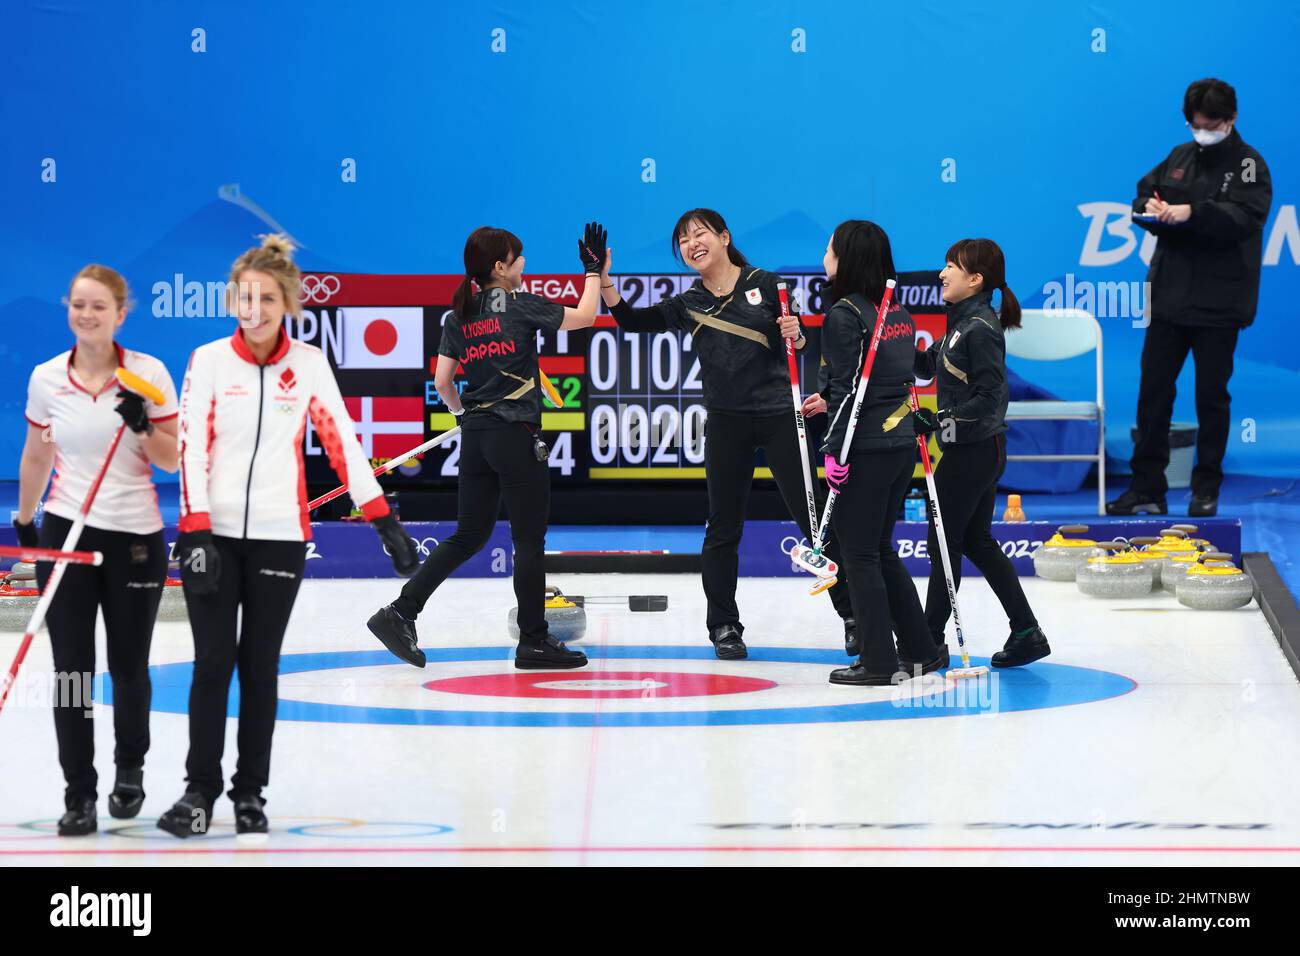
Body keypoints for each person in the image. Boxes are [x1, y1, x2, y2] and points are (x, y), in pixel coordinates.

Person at [157, 235, 419, 838]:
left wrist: (384, 520)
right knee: (212, 663)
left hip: (279, 537)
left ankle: (251, 794)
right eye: (245, 297)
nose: (255, 309)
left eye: (266, 298)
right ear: (233, 299)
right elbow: (193, 449)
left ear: (287, 302)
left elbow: (342, 441)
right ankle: (199, 793)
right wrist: (194, 530)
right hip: (213, 535)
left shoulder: (307, 365)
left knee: (259, 666)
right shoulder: (207, 361)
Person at [599, 209, 856, 660]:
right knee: (722, 527)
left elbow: (798, 347)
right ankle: (723, 626)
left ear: (724, 237)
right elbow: (632, 322)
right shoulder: (688, 302)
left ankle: (853, 616)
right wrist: (602, 279)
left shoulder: (770, 283)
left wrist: (795, 337)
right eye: (682, 240)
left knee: (814, 520)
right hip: (726, 420)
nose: (691, 244)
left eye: (700, 234)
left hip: (779, 416)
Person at [368, 224, 606, 670]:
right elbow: (588, 316)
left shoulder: (458, 315)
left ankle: (400, 612)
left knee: (468, 535)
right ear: (501, 266)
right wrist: (593, 271)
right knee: (529, 540)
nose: (524, 265)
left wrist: (462, 416)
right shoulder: (517, 305)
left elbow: (443, 383)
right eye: (519, 258)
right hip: (516, 437)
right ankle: (534, 641)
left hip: (476, 438)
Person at [16, 264, 179, 836]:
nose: (86, 315)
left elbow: (172, 458)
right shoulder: (46, 378)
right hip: (67, 536)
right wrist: (24, 519)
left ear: (120, 314)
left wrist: (141, 426)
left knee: (128, 665)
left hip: (134, 536)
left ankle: (129, 770)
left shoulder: (147, 375)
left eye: (99, 307)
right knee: (71, 672)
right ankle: (78, 793)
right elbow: (37, 455)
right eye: (78, 305)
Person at [1108, 77, 1272, 518]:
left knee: (1211, 398)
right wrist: (1153, 210)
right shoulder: (1180, 156)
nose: (1202, 131)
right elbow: (1142, 196)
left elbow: (1245, 217)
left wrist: (1192, 212)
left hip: (1220, 304)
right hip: (1169, 299)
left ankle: (1206, 488)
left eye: (1210, 124)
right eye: (1195, 124)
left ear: (1231, 119)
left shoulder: (1248, 165)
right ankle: (1147, 487)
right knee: (1152, 395)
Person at [807, 221, 944, 686]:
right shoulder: (898, 312)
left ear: (846, 258)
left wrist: (833, 452)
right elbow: (883, 381)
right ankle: (923, 650)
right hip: (898, 445)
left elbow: (849, 392)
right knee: (879, 549)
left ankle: (879, 660)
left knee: (859, 554)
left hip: (862, 449)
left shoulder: (844, 313)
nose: (824, 257)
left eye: (829, 250)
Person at [913, 238, 1050, 669]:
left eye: (950, 266)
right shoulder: (959, 324)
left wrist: (939, 420)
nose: (941, 274)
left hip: (974, 452)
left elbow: (992, 399)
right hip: (974, 450)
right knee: (975, 540)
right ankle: (1026, 632)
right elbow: (924, 367)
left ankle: (929, 642)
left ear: (975, 280)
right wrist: (888, 344)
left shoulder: (980, 329)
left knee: (943, 542)